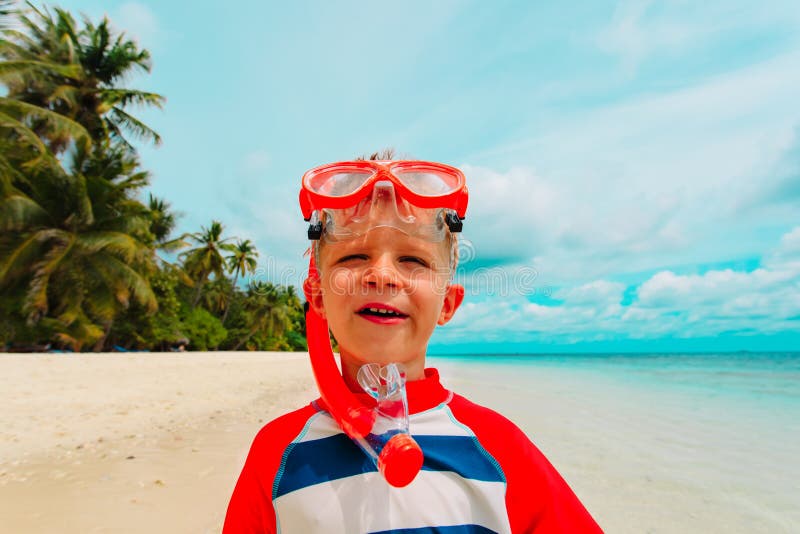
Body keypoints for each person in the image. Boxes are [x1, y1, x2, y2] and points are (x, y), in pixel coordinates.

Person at [223, 152, 602, 533]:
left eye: (413, 261)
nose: (382, 275)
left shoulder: (498, 448)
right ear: (318, 296)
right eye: (354, 256)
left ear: (448, 303)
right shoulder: (278, 453)